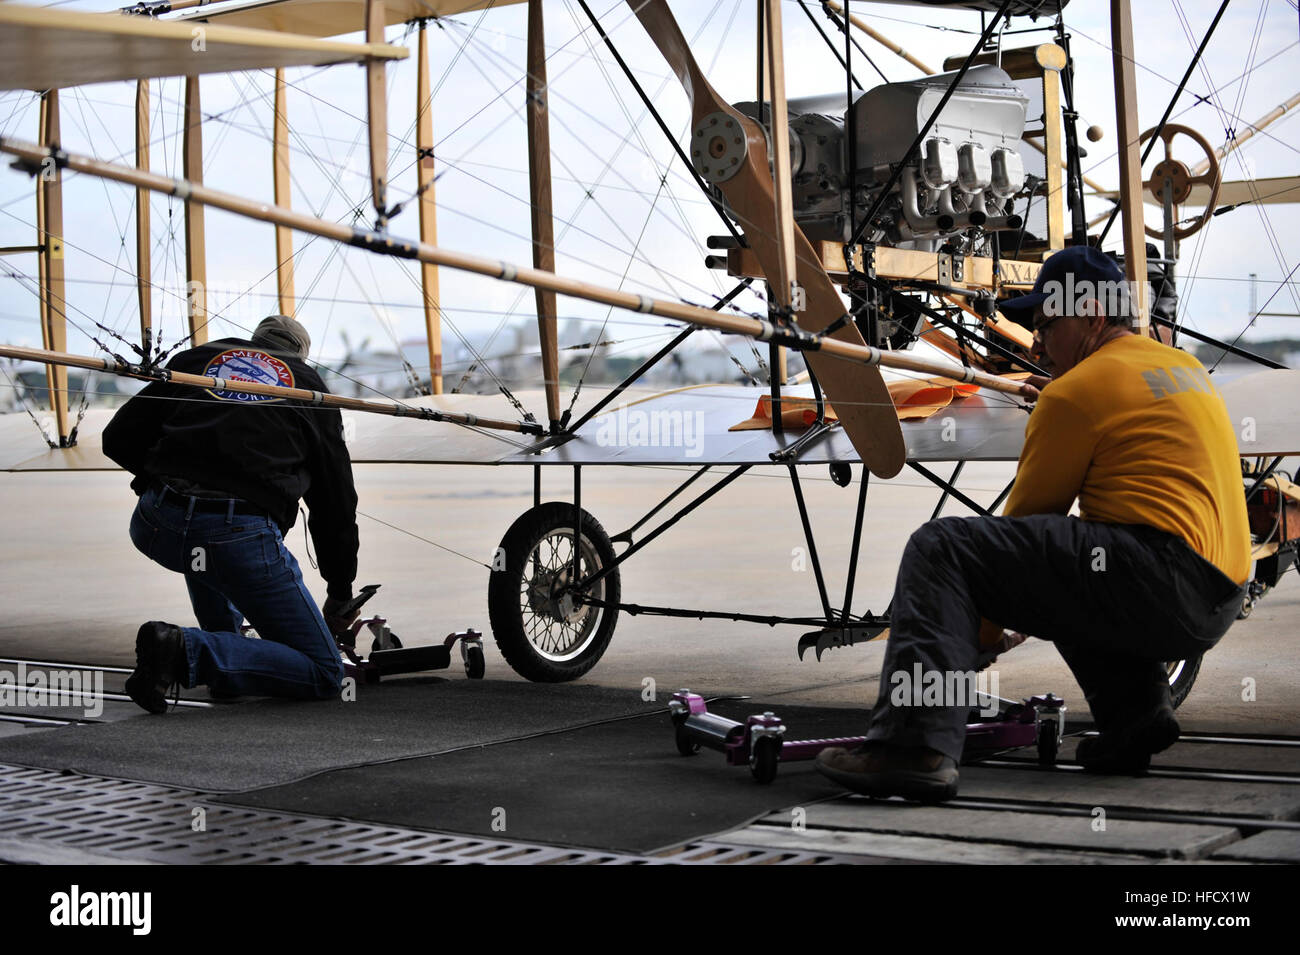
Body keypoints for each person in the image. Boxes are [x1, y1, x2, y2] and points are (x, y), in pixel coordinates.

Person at [815, 246, 1250, 801]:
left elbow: (1020, 535)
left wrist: (971, 642)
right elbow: (1051, 562)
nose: (1038, 342)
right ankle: (1135, 717)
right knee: (1080, 562)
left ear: (1092, 315)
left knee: (943, 547)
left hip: (1160, 580)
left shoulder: (1076, 392)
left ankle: (912, 747)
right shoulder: (1182, 366)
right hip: (1217, 598)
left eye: (1047, 323)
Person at [102, 315, 359, 714]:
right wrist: (340, 589)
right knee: (324, 671)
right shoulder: (308, 386)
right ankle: (184, 649)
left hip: (156, 523)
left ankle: (227, 666)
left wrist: (159, 478)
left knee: (209, 553)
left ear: (255, 341)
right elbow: (335, 502)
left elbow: (116, 437)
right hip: (234, 534)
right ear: (299, 356)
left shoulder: (201, 359)